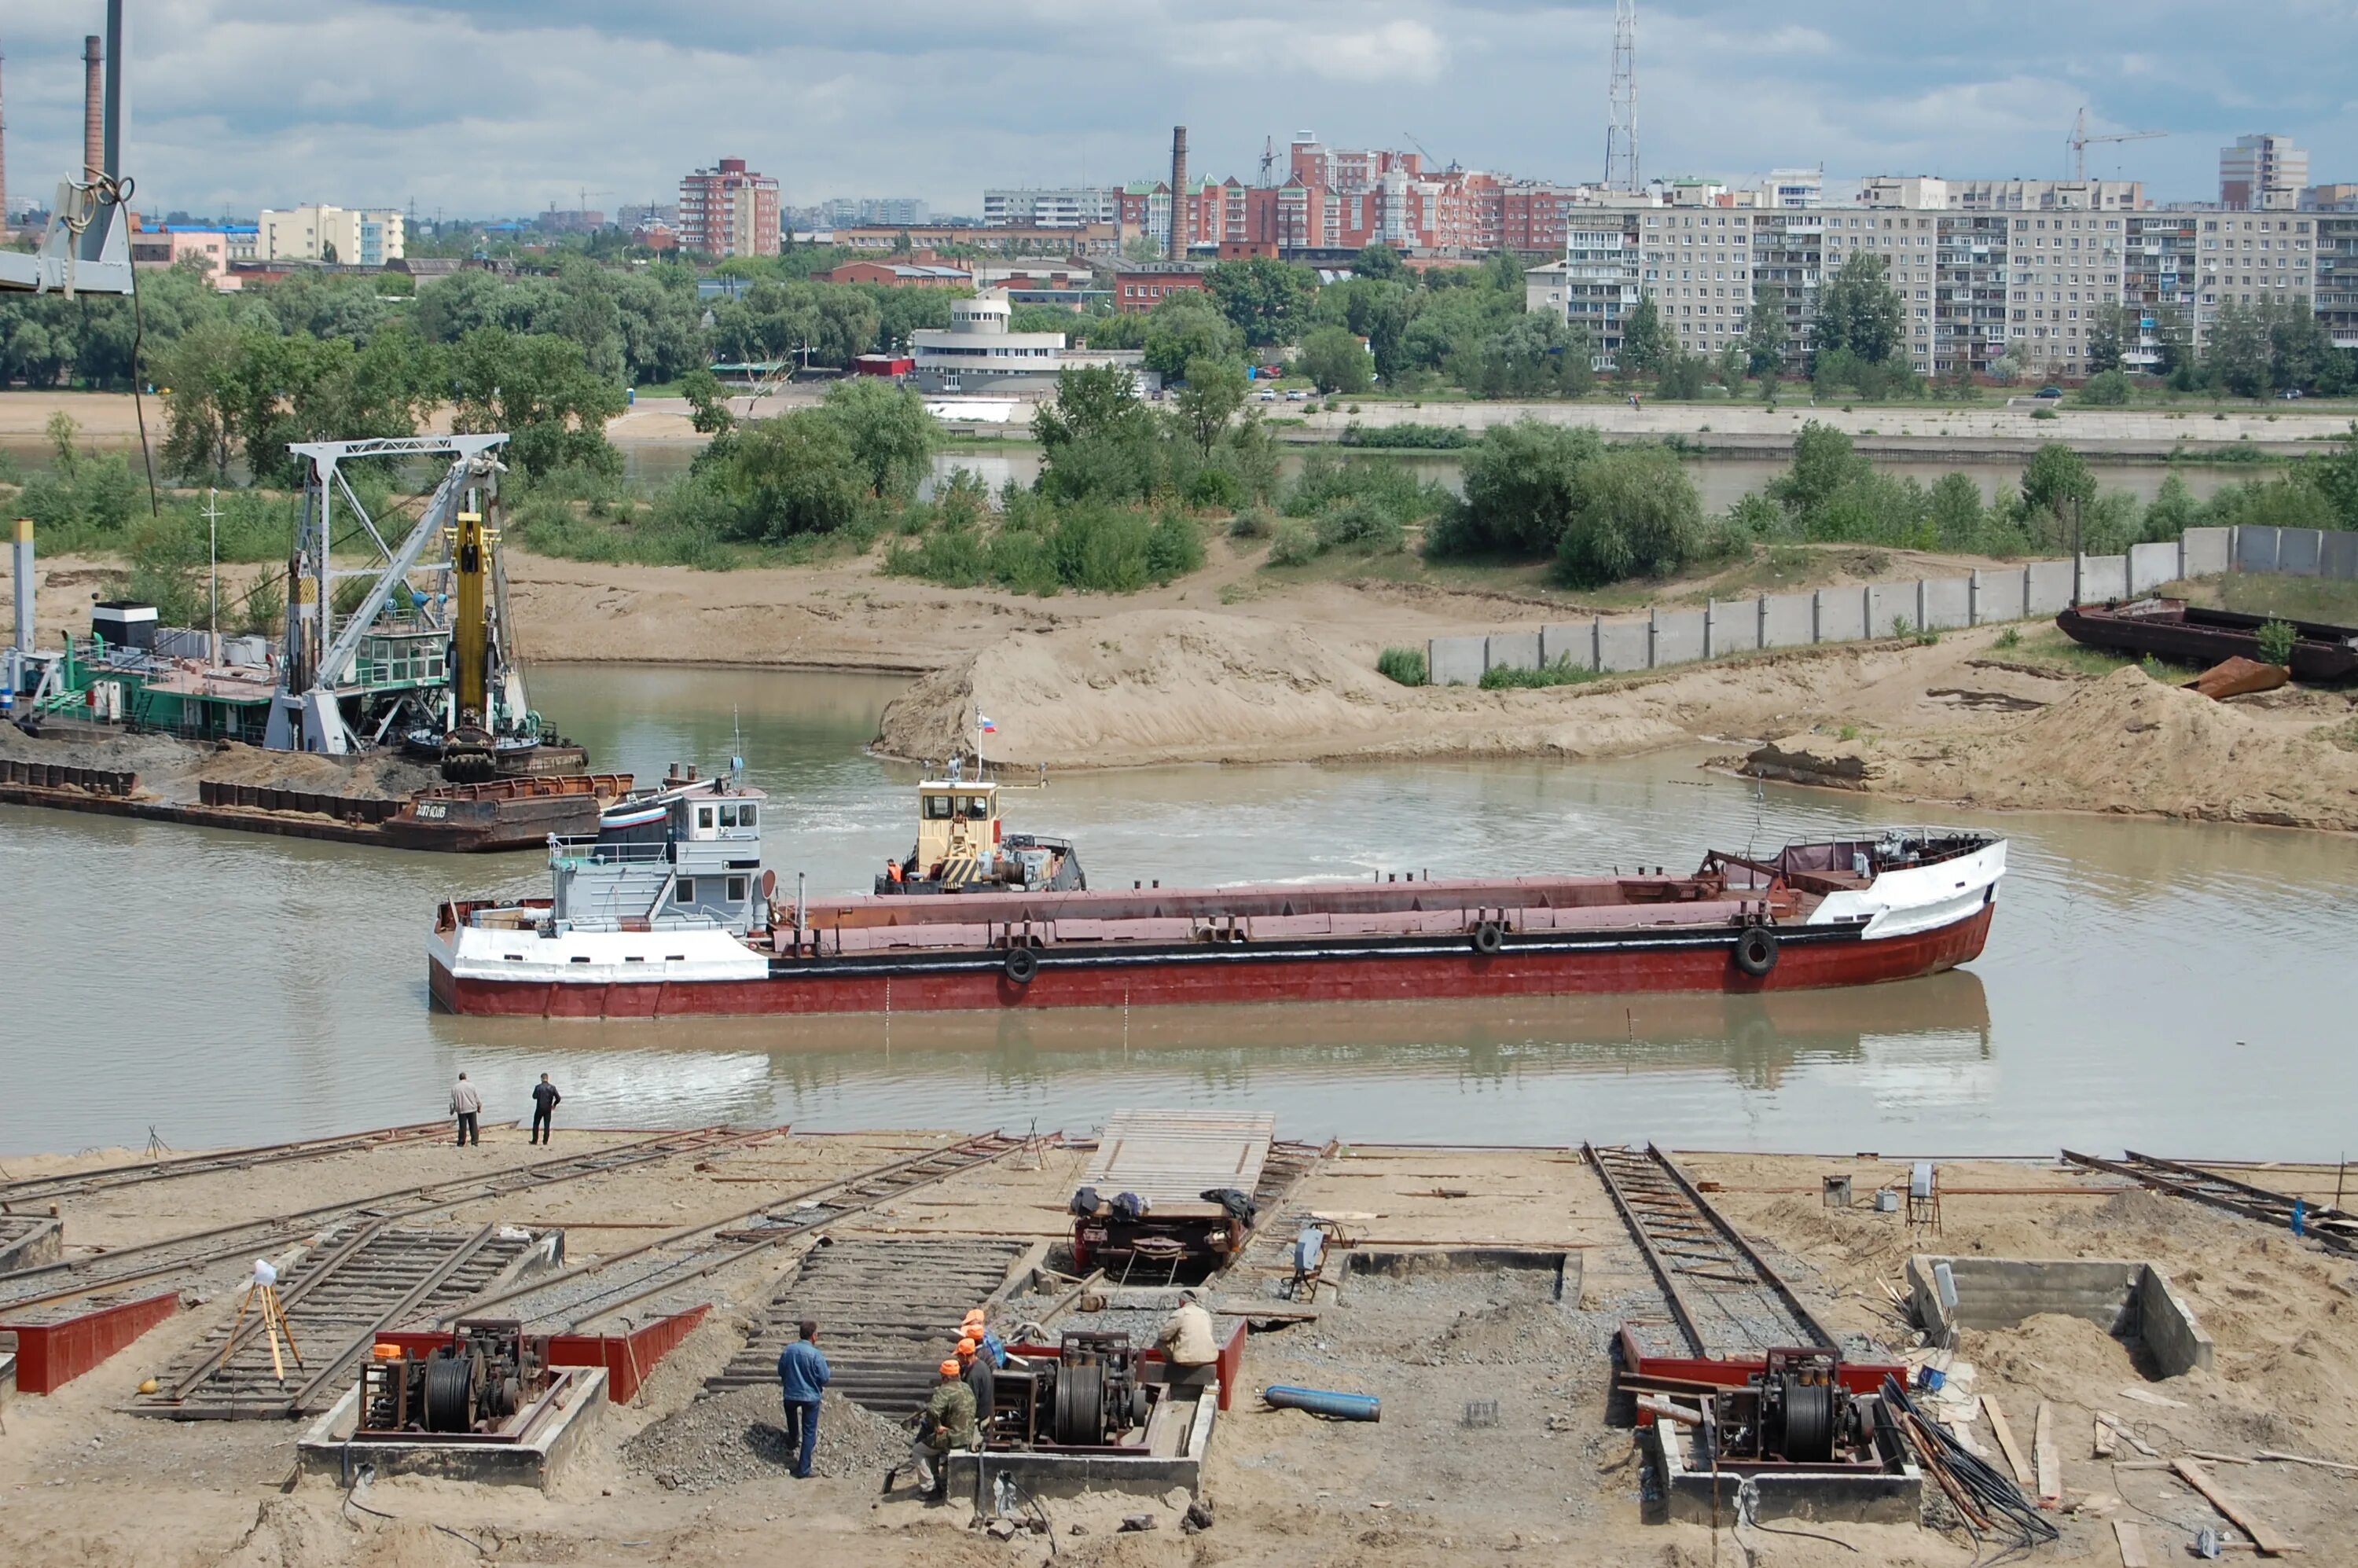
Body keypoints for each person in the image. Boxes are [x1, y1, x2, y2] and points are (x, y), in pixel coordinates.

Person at [905, 1358, 975, 1496]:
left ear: (945, 1377)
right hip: (968, 1434)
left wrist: (938, 1426)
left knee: (918, 1450)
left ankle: (929, 1489)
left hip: (953, 1437)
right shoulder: (967, 1388)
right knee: (932, 1443)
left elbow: (932, 1411)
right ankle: (936, 1478)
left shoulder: (945, 1390)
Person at [776, 1319, 828, 1480]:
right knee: (809, 1431)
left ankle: (793, 1440)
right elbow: (825, 1377)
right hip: (810, 1396)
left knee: (791, 1417)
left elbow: (781, 1370)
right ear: (813, 1336)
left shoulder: (788, 1350)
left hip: (790, 1394)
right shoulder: (816, 1354)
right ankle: (804, 1468)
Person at [1157, 1289, 1218, 1368]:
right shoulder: (1205, 1314)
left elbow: (1164, 1335)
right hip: (1209, 1357)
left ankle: (1173, 1367)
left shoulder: (1180, 1313)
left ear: (1182, 1301)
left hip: (1185, 1359)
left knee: (1161, 1341)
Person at [956, 1335, 994, 1440]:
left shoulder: (973, 1376)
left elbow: (970, 1404)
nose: (958, 1359)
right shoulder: (982, 1364)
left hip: (980, 1414)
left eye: (959, 1356)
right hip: (986, 1410)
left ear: (964, 1356)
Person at [450, 1073, 482, 1147]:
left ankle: (461, 1142)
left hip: (461, 1109)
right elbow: (477, 1097)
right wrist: (479, 1106)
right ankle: (474, 1142)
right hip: (472, 1108)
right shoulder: (471, 1086)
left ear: (459, 1078)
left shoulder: (455, 1088)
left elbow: (452, 1102)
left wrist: (452, 1110)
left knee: (462, 1127)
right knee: (473, 1126)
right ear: (466, 1078)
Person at [529, 1074, 562, 1145]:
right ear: (548, 1078)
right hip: (548, 1109)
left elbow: (534, 1097)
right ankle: (545, 1141)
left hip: (539, 1108)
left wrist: (539, 1095)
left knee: (536, 1124)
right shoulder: (552, 1087)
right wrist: (554, 1104)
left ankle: (535, 1140)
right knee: (547, 1125)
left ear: (541, 1078)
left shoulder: (538, 1087)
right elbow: (558, 1098)